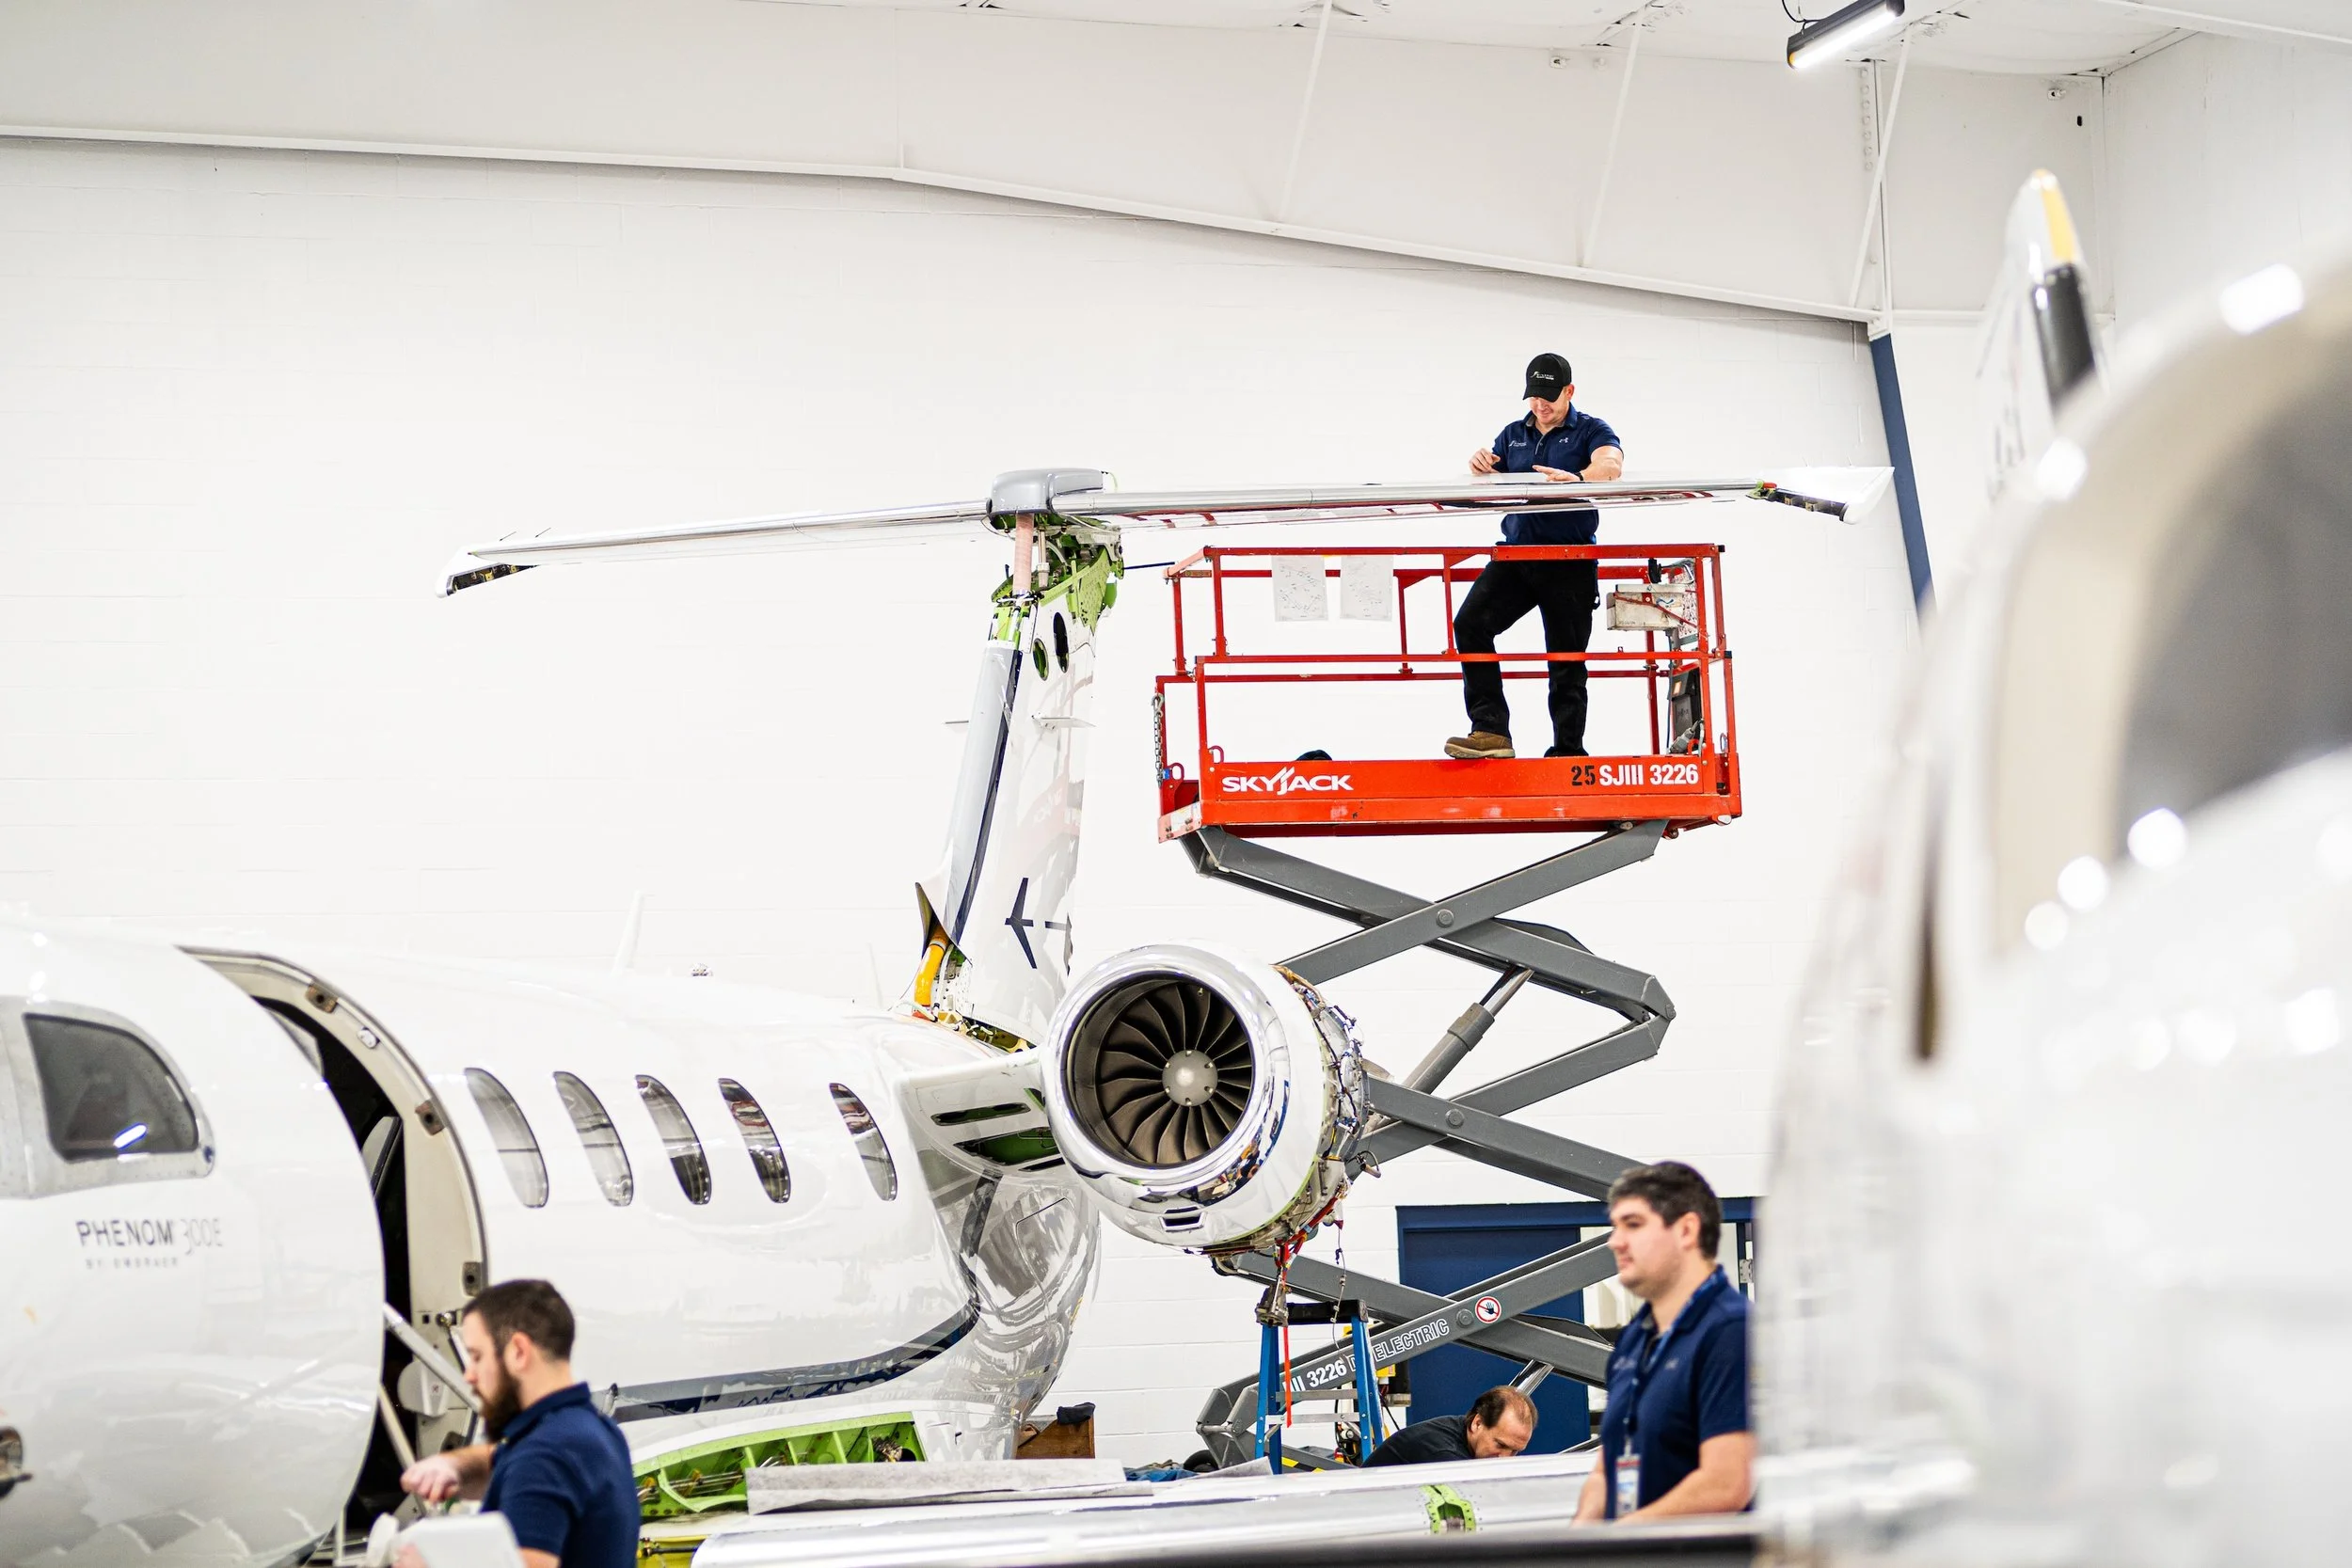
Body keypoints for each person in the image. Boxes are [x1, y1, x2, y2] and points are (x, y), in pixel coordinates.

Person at [1446, 352, 1626, 760]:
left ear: (1569, 391)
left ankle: (1567, 750)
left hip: (1569, 562)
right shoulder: (1513, 434)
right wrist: (1481, 468)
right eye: (1533, 397)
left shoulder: (1591, 431)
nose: (1540, 406)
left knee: (1565, 658)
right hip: (1516, 558)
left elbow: (1611, 466)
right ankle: (1490, 732)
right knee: (1470, 625)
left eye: (1549, 396)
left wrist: (1577, 479)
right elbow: (1493, 478)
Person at [399, 1280, 639, 1568]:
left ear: (518, 1352)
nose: (469, 1376)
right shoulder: (594, 1431)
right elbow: (504, 1462)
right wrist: (453, 1466)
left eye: (477, 1357)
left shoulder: (544, 1455)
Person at [1575, 1162, 1753, 1524]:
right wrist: (1578, 1540)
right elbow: (1606, 1470)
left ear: (1686, 1230)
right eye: (1615, 1227)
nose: (1615, 1241)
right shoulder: (1635, 1339)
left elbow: (1726, 1484)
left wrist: (1621, 1540)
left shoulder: (1732, 1330)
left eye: (1633, 1225)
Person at [1363, 1384, 1535, 1466]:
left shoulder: (1461, 1431)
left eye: (1514, 1451)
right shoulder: (1444, 1455)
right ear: (1478, 1423)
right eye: (1500, 1444)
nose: (1505, 1459)